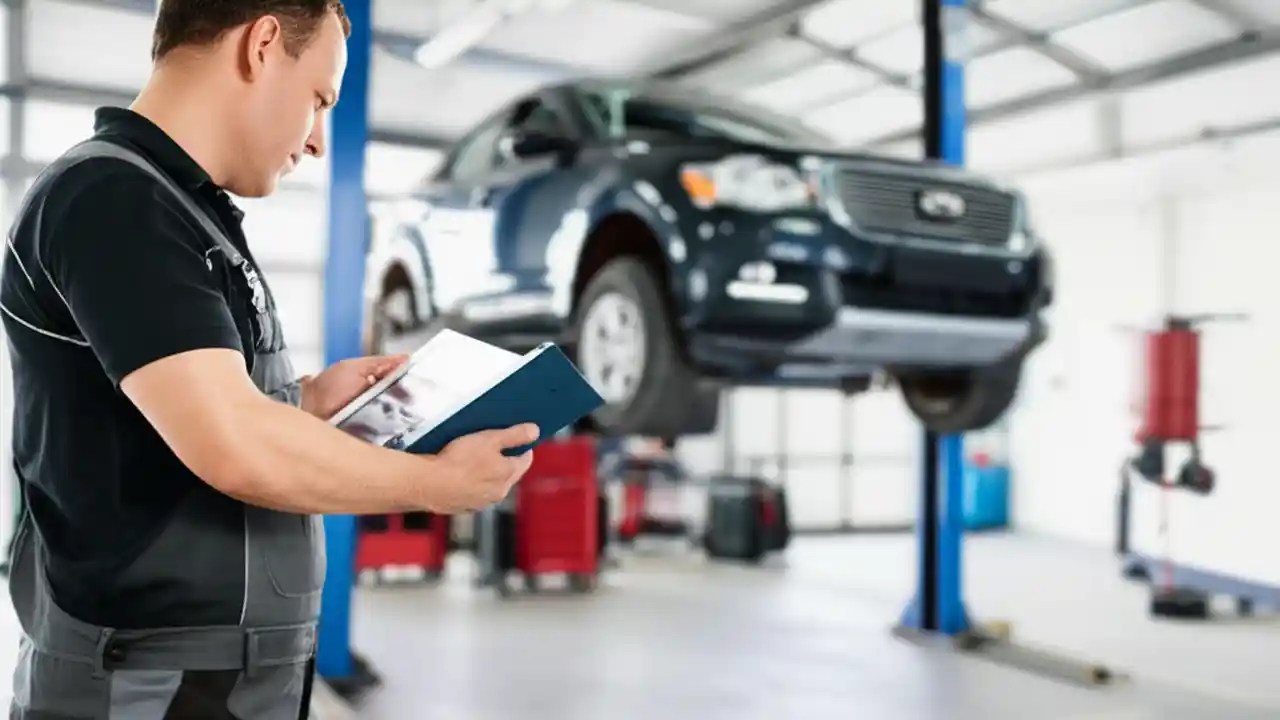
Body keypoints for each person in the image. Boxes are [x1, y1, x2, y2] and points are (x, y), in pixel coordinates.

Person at [0, 0, 537, 716]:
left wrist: (307, 401)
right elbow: (235, 447)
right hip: (147, 683)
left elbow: (186, 412)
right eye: (319, 99)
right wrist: (436, 484)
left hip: (205, 673)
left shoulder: (182, 212)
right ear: (261, 45)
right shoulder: (114, 201)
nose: (318, 140)